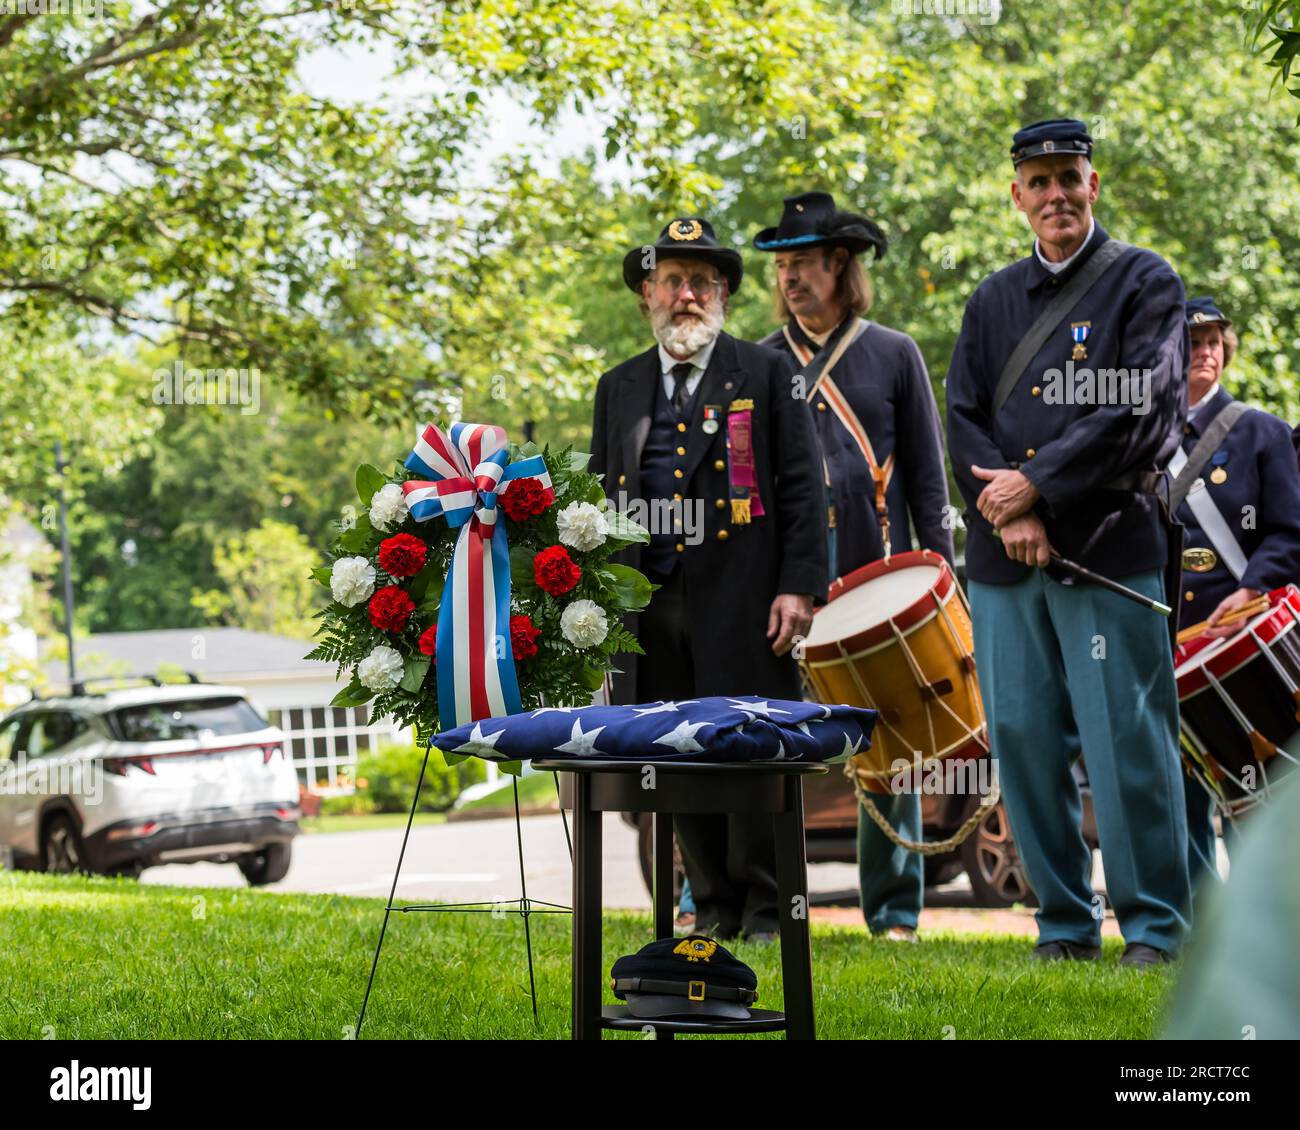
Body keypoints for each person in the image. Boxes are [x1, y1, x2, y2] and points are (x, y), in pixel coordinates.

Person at [945, 118, 1191, 966]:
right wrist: (1008, 509)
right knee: (1020, 738)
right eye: (1038, 181)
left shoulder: (1146, 282)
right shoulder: (990, 298)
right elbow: (963, 418)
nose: (1055, 194)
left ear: (1095, 183)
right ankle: (1062, 924)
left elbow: (1145, 409)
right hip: (1004, 559)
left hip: (1109, 546)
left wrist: (1038, 483)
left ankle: (1155, 926)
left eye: (1069, 177)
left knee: (1127, 741)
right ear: (1017, 196)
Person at [590, 216, 828, 941]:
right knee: (675, 756)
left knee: (747, 752)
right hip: (651, 601)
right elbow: (601, 498)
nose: (685, 295)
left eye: (700, 282)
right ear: (647, 296)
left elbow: (801, 487)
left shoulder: (765, 373)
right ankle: (712, 906)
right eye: (671, 281)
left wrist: (800, 585)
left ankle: (765, 909)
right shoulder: (618, 386)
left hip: (744, 598)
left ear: (722, 291)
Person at [753, 191, 955, 943]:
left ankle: (895, 915)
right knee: (770, 743)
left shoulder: (894, 352)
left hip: (878, 582)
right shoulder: (761, 363)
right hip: (789, 589)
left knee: (888, 749)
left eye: (803, 262)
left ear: (841, 266)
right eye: (782, 266)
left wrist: (942, 578)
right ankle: (770, 910)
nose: (790, 278)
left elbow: (929, 486)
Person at [1165, 296, 1300, 897]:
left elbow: (1290, 530)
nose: (1207, 352)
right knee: (1183, 785)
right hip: (1167, 642)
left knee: (1260, 780)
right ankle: (1195, 918)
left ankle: (1266, 909)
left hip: (1241, 640)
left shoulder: (1262, 432)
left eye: (1215, 341)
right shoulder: (1142, 440)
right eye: (1194, 342)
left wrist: (1250, 590)